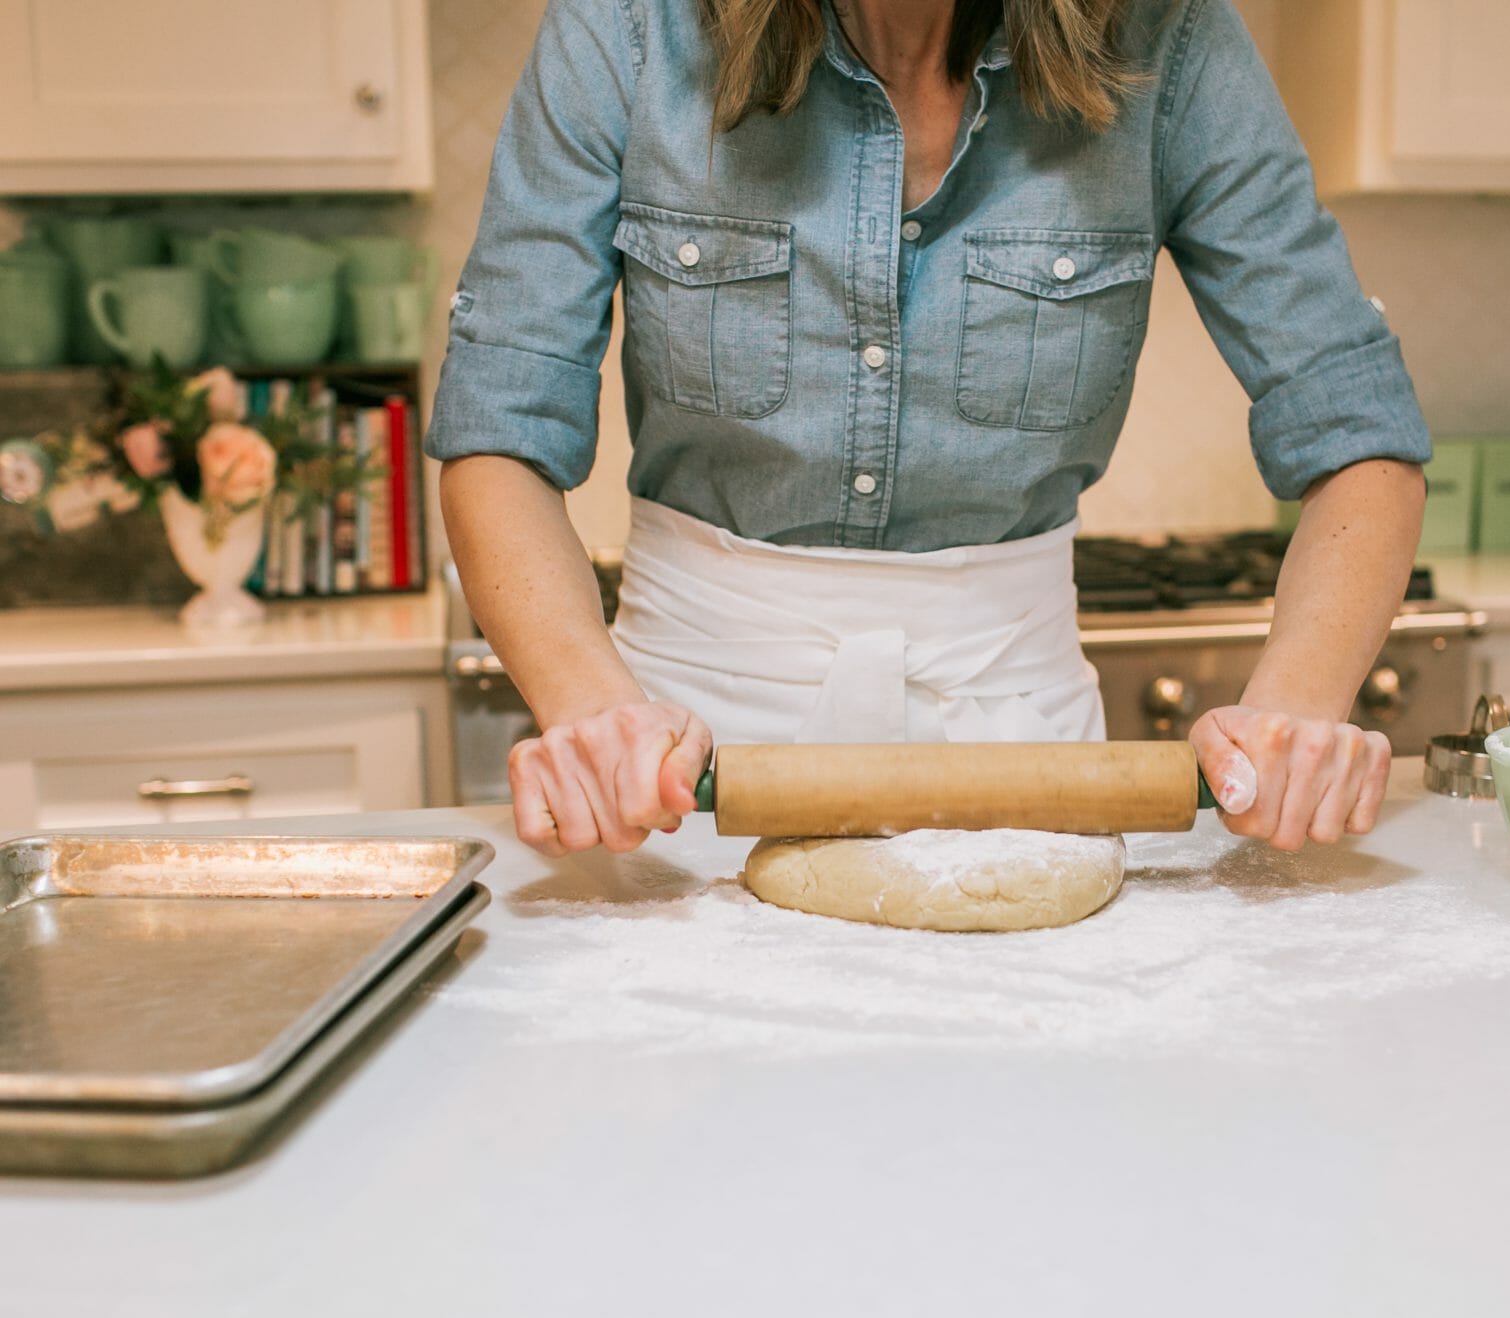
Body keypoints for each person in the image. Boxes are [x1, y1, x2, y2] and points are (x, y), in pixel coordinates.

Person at [429, 0, 1430, 859]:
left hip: (1022, 747)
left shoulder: (1167, 39)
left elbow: (1357, 430)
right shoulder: (632, 28)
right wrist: (591, 709)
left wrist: (1295, 708)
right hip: (678, 761)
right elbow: (499, 433)